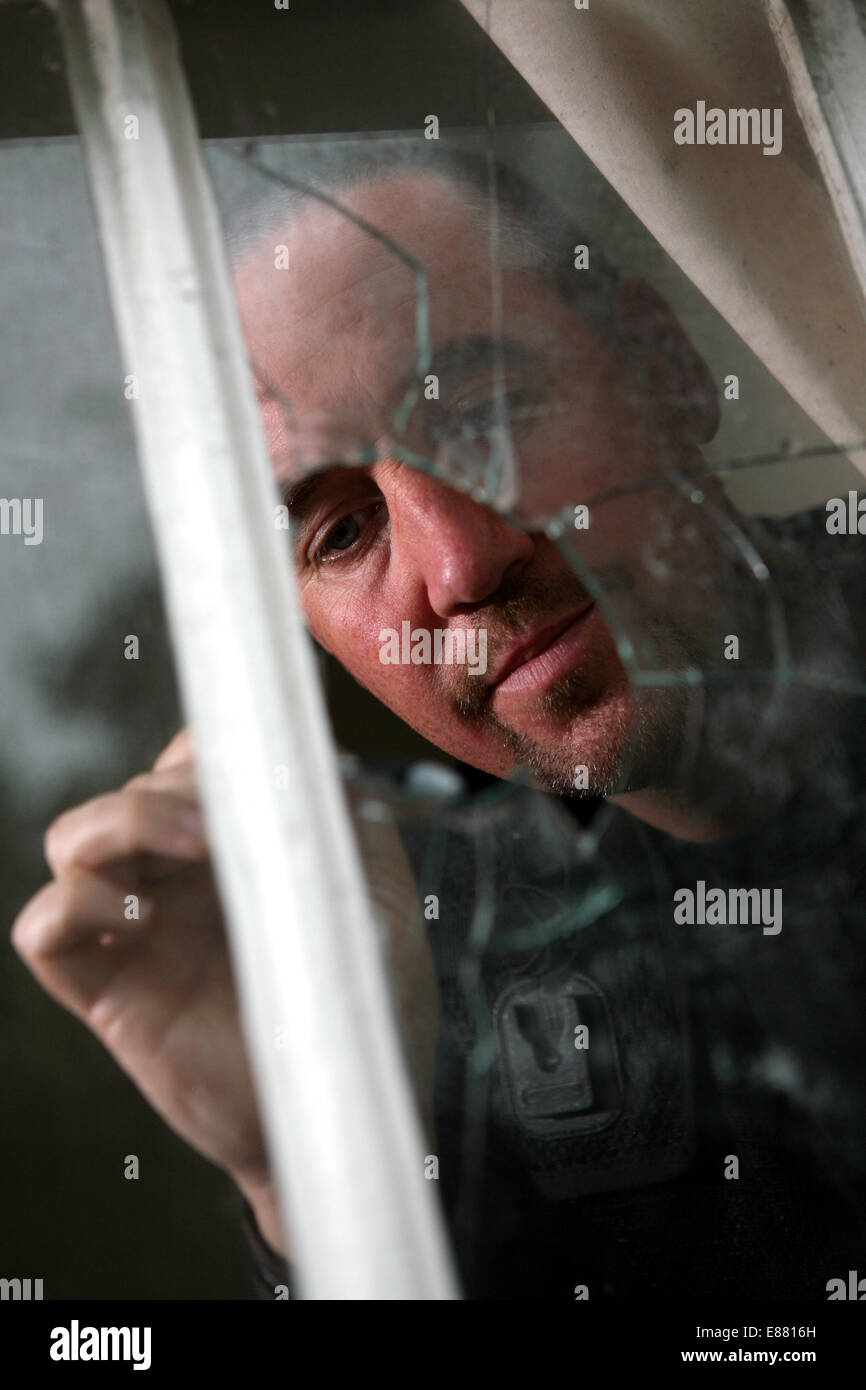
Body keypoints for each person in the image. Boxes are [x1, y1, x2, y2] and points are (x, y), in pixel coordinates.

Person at [11, 147, 866, 1299]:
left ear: (663, 366)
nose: (458, 567)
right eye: (342, 531)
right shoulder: (434, 954)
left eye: (476, 411)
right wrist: (315, 1175)